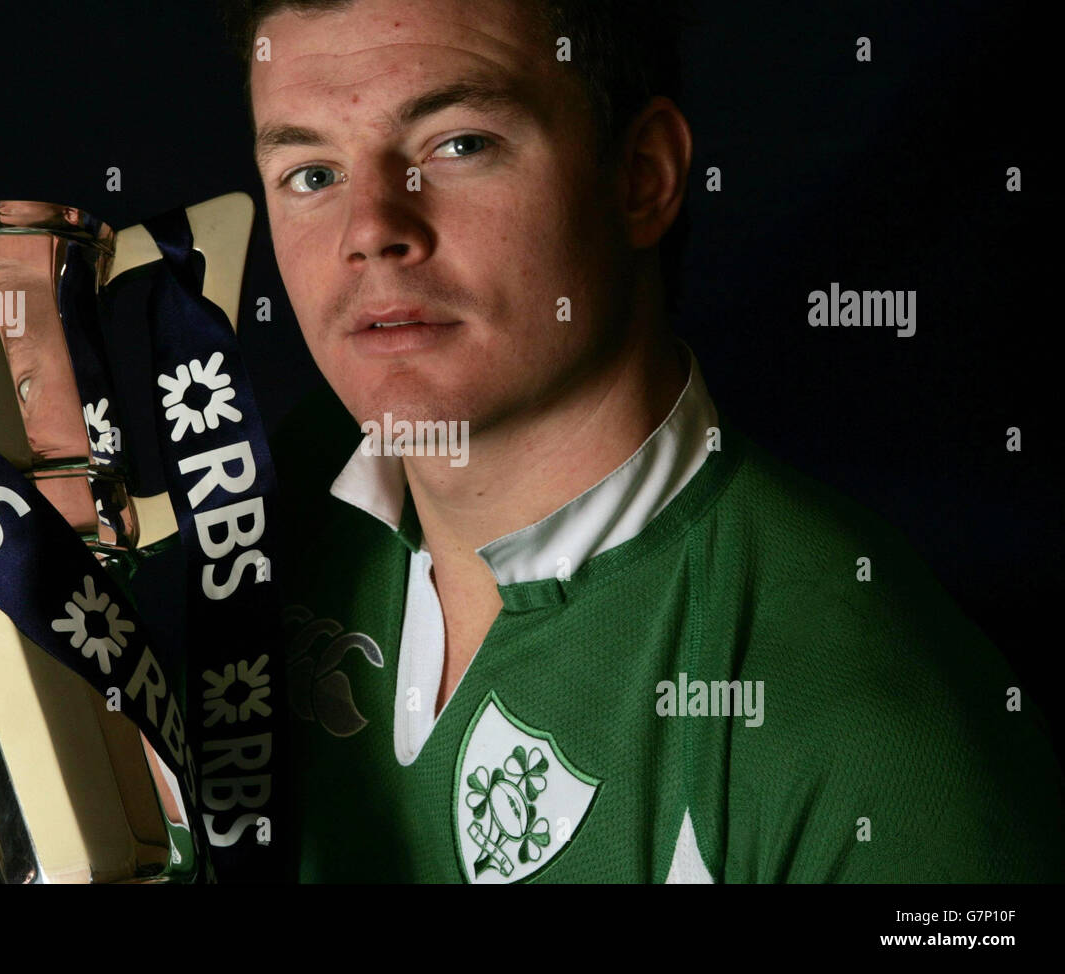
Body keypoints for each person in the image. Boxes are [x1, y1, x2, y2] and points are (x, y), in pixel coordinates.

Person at [221, 0, 1065, 882]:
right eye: (312, 172)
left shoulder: (890, 754)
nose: (369, 231)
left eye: (458, 144)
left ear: (643, 177)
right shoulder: (266, 503)